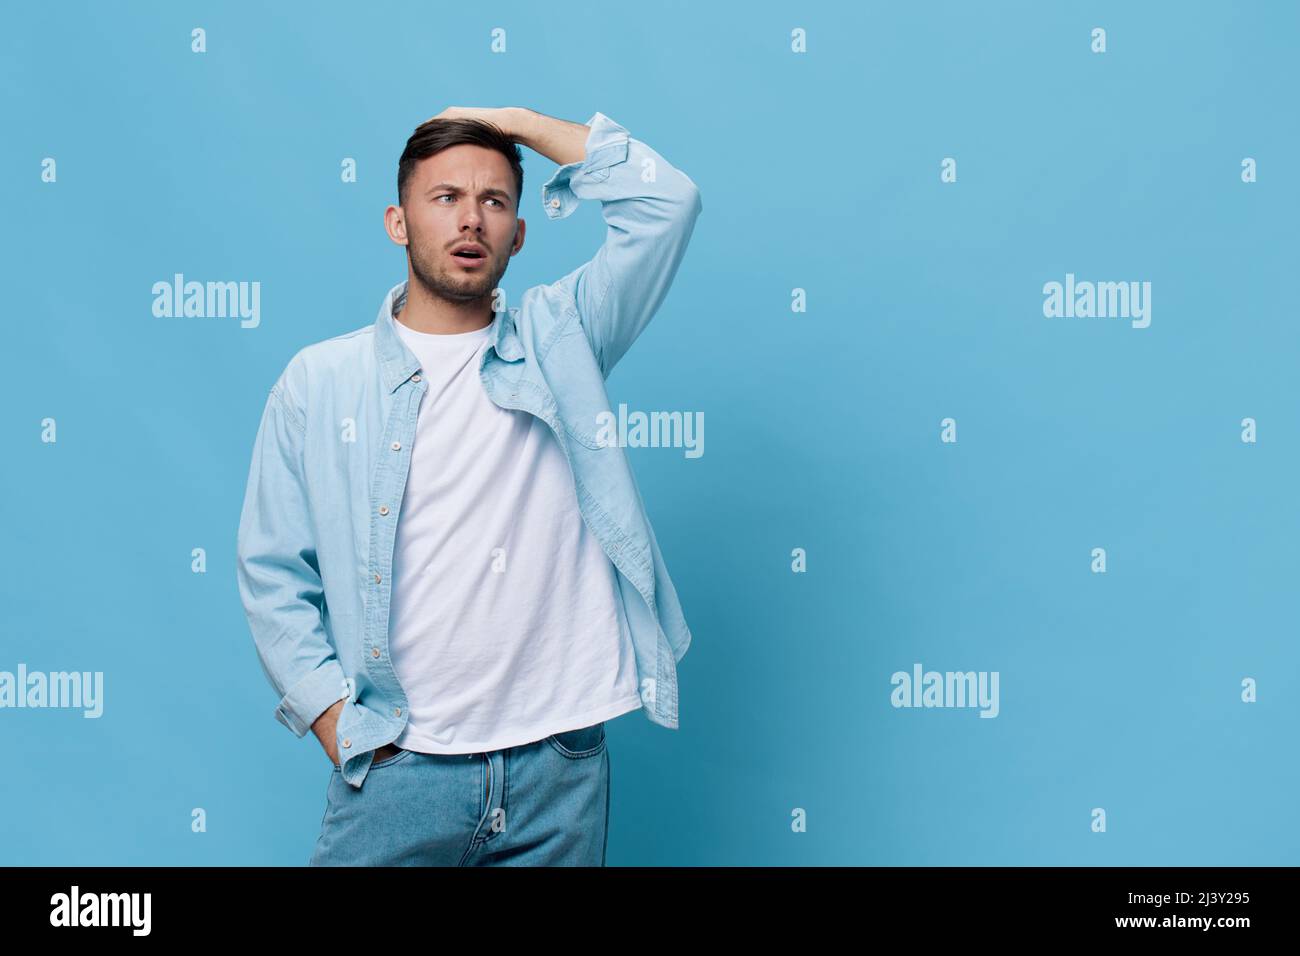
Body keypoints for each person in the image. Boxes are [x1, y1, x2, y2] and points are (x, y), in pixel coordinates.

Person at [235, 107, 702, 866]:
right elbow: (270, 571)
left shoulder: (564, 340)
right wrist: (333, 720)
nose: (471, 219)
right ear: (398, 221)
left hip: (560, 768)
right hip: (398, 768)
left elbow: (667, 200)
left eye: (494, 201)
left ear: (519, 232)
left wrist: (510, 121)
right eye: (445, 197)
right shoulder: (319, 384)